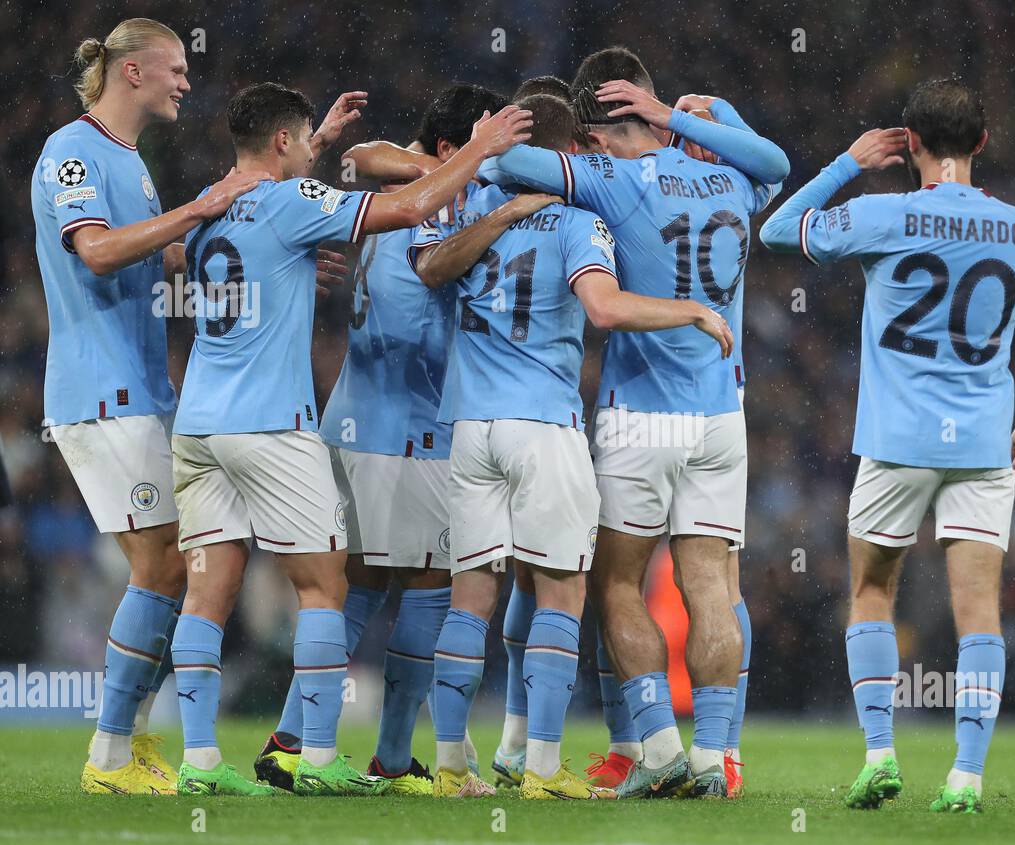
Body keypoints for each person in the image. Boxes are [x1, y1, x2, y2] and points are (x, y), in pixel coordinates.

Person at [167, 81, 531, 796]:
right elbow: (405, 208)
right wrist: (481, 161)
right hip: (378, 428)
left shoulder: (216, 200)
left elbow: (350, 162)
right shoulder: (420, 200)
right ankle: (362, 755)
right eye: (305, 139)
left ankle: (223, 755)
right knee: (378, 585)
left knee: (230, 591)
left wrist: (328, 160)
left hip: (224, 422)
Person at [486, 47, 787, 798]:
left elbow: (506, 160)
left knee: (617, 581)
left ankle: (656, 746)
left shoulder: (609, 180)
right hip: (721, 416)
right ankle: (715, 758)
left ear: (596, 131)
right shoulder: (732, 176)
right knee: (709, 584)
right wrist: (690, 117)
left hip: (640, 419)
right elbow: (776, 161)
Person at [417, 93, 732, 799]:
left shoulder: (473, 204)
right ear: (566, 156)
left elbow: (431, 269)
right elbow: (604, 308)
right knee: (562, 594)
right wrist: (690, 309)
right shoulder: (577, 220)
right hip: (543, 427)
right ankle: (541, 768)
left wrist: (498, 211)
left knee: (470, 599)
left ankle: (451, 766)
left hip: (470, 427)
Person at [761, 78, 1015, 813]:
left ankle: (879, 755)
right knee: (979, 608)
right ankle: (966, 775)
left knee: (871, 592)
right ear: (981, 142)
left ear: (912, 144)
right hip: (984, 445)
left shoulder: (882, 213)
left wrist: (848, 163)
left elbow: (775, 230)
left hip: (897, 442)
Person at [31, 17, 267, 795]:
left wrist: (259, 252)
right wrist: (198, 208)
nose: (186, 81)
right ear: (131, 71)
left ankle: (122, 746)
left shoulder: (129, 160)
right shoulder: (72, 151)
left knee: (169, 564)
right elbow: (97, 249)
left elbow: (154, 252)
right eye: (175, 68)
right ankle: (111, 754)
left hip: (138, 390)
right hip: (100, 390)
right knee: (162, 565)